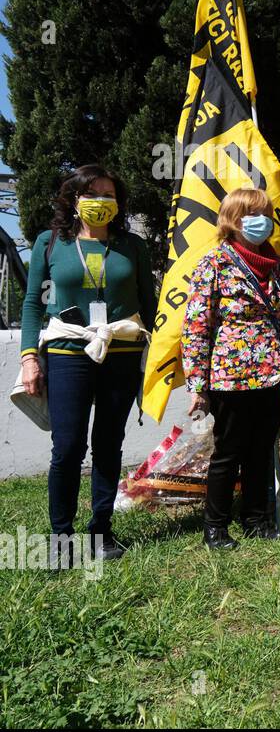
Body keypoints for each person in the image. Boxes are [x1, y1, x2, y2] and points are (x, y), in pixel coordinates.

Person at [20, 165, 155, 564]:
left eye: (109, 194)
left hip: (122, 351)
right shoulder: (50, 242)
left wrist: (158, 358)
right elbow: (32, 304)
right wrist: (29, 357)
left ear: (119, 203)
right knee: (67, 447)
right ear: (74, 199)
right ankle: (61, 537)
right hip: (67, 350)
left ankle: (101, 531)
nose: (101, 201)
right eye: (92, 193)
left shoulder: (132, 245)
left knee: (109, 444)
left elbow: (149, 305)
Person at [182, 187, 280, 550]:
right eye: (253, 214)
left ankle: (255, 519)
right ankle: (215, 527)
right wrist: (197, 384)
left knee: (261, 450)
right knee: (229, 451)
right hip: (231, 377)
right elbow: (197, 326)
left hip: (272, 374)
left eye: (266, 213)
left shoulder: (276, 263)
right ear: (233, 220)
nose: (262, 221)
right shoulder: (215, 262)